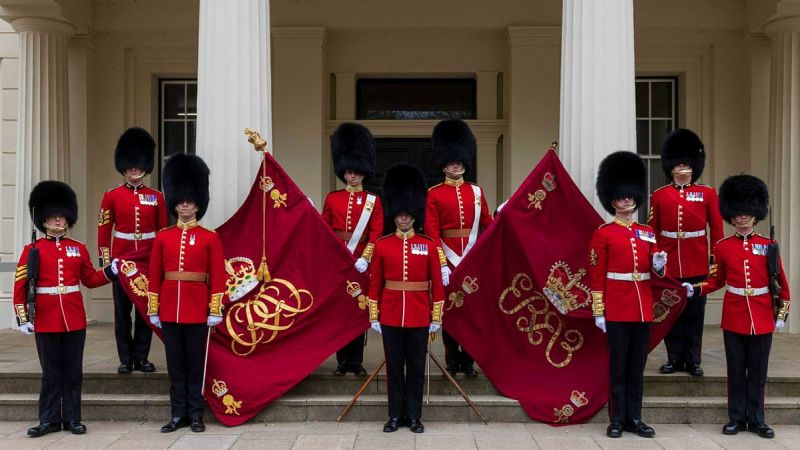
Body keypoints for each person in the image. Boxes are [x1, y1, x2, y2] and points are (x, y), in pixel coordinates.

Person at [589, 151, 692, 439]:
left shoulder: (647, 232)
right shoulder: (604, 233)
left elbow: (657, 272)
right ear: (613, 200)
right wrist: (599, 309)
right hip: (617, 308)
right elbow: (596, 273)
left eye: (630, 197)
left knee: (637, 367)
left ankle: (635, 417)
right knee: (618, 367)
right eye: (622, 198)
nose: (627, 201)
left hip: (642, 308)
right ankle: (617, 418)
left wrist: (660, 266)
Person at [13, 181, 118, 437]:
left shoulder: (78, 248)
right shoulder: (32, 250)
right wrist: (22, 317)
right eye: (53, 216)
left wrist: (110, 272)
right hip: (46, 318)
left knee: (73, 372)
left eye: (62, 216)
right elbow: (20, 285)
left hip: (73, 319)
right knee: (51, 373)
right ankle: (49, 419)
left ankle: (72, 418)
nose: (59, 221)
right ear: (44, 219)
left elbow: (90, 280)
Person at [693, 175, 790, 439]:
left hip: (761, 316)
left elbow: (780, 281)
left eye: (747, 213)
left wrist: (781, 314)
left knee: (758, 372)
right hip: (734, 316)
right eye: (738, 214)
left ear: (755, 215)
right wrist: (698, 288)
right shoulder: (723, 247)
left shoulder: (768, 246)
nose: (743, 217)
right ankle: (736, 417)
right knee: (736, 371)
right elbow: (717, 280)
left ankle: (757, 419)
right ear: (731, 217)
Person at [146, 154, 226, 433]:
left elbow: (218, 276)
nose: (185, 205)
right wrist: (153, 308)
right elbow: (154, 275)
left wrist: (215, 308)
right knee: (175, 365)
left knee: (196, 366)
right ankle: (177, 414)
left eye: (190, 201)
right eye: (181, 201)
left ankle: (195, 414)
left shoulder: (210, 237)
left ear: (197, 204)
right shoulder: (163, 237)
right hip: (169, 309)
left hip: (197, 310)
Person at [368, 163, 445, 434]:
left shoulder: (428, 244)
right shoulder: (382, 244)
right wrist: (374, 314)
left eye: (407, 215)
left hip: (419, 316)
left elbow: (437, 283)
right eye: (399, 215)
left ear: (414, 216)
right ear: (394, 215)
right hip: (389, 315)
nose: (403, 219)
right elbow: (375, 283)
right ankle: (394, 416)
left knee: (415, 369)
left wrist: (436, 317)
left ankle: (414, 416)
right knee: (393, 370)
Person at [650, 128, 723, 377]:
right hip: (670, 263)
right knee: (672, 312)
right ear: (670, 168)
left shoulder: (707, 194)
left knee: (694, 314)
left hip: (697, 263)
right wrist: (656, 255)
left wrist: (715, 258)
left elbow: (716, 228)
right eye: (677, 164)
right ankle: (674, 358)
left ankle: (693, 359)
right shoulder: (659, 196)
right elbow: (653, 230)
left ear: (693, 166)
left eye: (686, 164)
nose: (682, 169)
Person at [424, 119, 491, 377]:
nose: (456, 164)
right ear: (444, 163)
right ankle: (453, 360)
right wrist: (441, 262)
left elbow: (487, 223)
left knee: (473, 313)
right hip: (449, 261)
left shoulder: (476, 192)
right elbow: (432, 232)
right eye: (452, 161)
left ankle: (469, 361)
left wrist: (503, 215)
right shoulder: (434, 194)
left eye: (459, 160)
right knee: (451, 312)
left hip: (472, 259)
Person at [98, 127, 166, 374]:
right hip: (122, 260)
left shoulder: (157, 197)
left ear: (144, 166)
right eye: (130, 165)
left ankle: (142, 357)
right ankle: (125, 358)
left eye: (138, 165)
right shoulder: (111, 196)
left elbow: (162, 233)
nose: (134, 169)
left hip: (148, 260)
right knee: (122, 312)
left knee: (146, 310)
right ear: (124, 166)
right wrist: (107, 264)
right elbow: (104, 230)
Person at [322, 123, 384, 376]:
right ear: (343, 172)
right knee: (339, 313)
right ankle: (342, 362)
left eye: (357, 172)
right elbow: (324, 230)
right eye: (349, 172)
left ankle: (355, 361)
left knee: (359, 312)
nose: (353, 176)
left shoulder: (374, 201)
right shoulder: (332, 198)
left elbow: (377, 234)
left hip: (360, 262)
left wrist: (366, 258)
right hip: (338, 263)